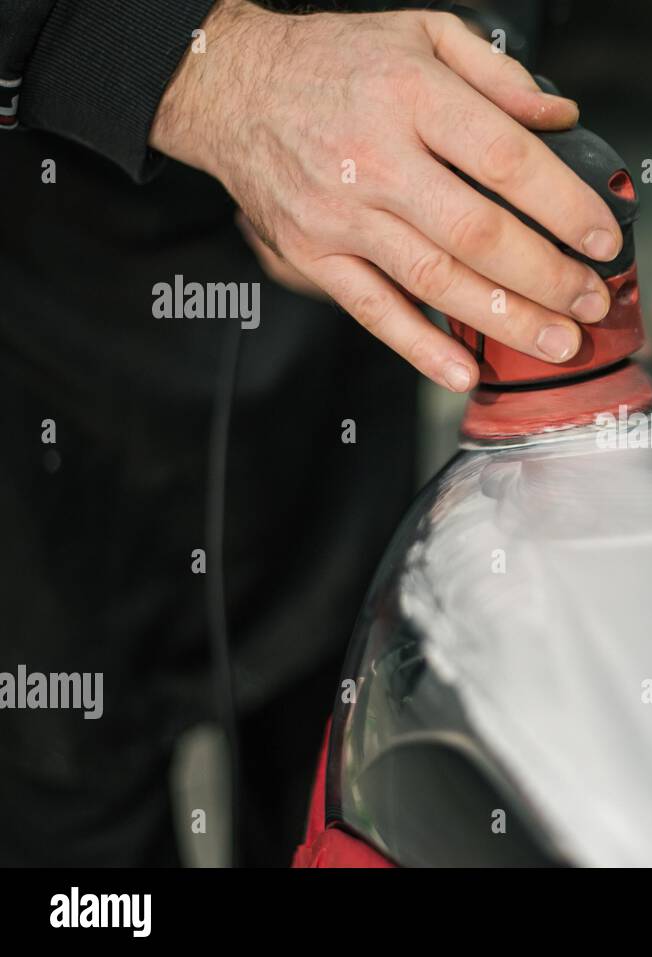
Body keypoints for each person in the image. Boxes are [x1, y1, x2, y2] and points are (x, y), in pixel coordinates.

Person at [0, 0, 620, 865]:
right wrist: (197, 69)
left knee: (345, 753)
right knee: (71, 815)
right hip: (38, 322)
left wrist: (465, 53)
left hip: (332, 328)